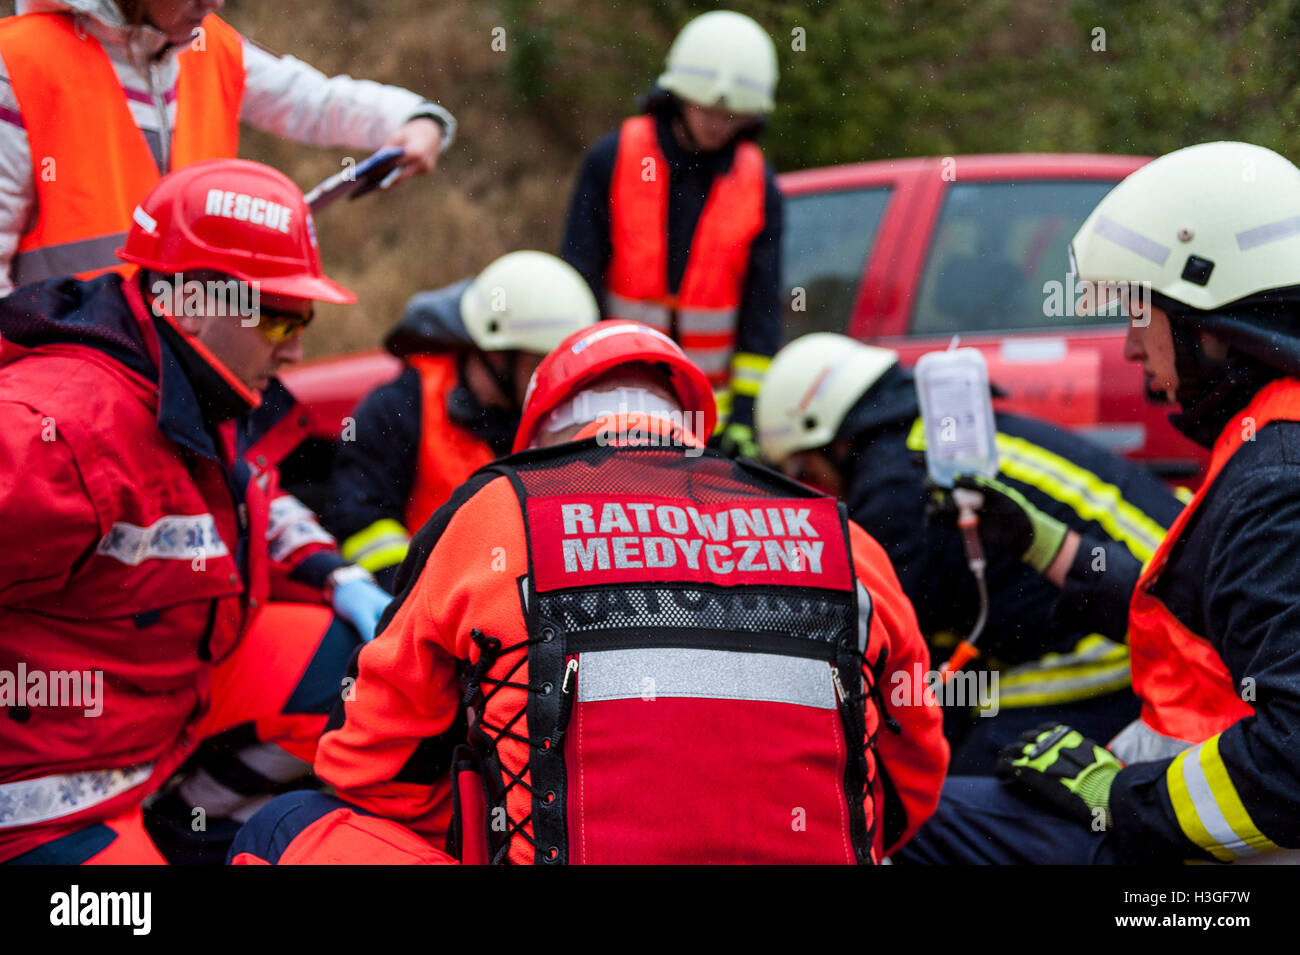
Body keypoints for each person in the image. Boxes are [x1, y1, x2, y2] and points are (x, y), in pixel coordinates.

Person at [229, 321, 949, 865]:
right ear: (691, 422)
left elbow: (368, 765)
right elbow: (915, 771)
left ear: (545, 432)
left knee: (281, 823)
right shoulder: (838, 535)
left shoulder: (499, 512)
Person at [898, 141, 1300, 864]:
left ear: (1210, 322)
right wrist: (1039, 541)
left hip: (1199, 851)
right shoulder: (1273, 437)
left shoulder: (1275, 482)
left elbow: (1293, 763)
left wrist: (1118, 798)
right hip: (1196, 823)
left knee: (904, 816)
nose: (1129, 348)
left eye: (1142, 313)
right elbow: (1197, 634)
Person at [0, 158, 390, 864]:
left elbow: (244, 498)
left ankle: (187, 823)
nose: (298, 345)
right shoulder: (61, 431)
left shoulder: (190, 378)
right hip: (51, 791)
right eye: (280, 318)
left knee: (366, 675)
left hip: (163, 690)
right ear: (196, 301)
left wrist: (335, 573)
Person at [755, 333, 1183, 772]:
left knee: (976, 780)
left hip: (1123, 642)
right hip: (1160, 604)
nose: (817, 489)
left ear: (836, 443)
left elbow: (878, 631)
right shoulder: (929, 438)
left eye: (804, 471)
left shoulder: (896, 484)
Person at [0, 0, 455, 293]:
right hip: (69, 380)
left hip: (189, 364)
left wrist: (413, 118)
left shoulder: (209, 46)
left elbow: (316, 103)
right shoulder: (18, 63)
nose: (213, 2)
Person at [560, 9, 782, 458]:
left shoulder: (759, 184)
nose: (719, 123)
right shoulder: (614, 158)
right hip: (616, 397)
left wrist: (745, 414)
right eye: (707, 108)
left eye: (733, 115)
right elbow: (578, 277)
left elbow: (761, 308)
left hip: (707, 416)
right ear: (678, 96)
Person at [326, 251, 599, 589]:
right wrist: (415, 593)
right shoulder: (399, 408)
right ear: (498, 355)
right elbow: (359, 520)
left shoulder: (563, 418)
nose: (556, 382)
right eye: (540, 365)